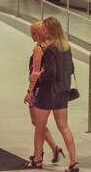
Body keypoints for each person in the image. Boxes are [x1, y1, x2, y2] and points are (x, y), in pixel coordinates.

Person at [26, 17, 79, 172]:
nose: (42, 31)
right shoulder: (66, 47)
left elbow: (50, 74)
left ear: (49, 30)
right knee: (64, 127)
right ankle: (74, 161)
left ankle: (37, 159)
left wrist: (37, 76)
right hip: (63, 92)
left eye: (44, 29)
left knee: (39, 127)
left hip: (47, 92)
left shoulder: (49, 49)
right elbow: (70, 69)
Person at [26, 22, 65, 164]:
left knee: (37, 122)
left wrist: (29, 91)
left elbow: (35, 72)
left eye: (34, 33)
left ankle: (40, 154)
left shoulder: (38, 49)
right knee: (39, 122)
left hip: (37, 88)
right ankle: (54, 148)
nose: (31, 36)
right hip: (49, 88)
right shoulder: (54, 47)